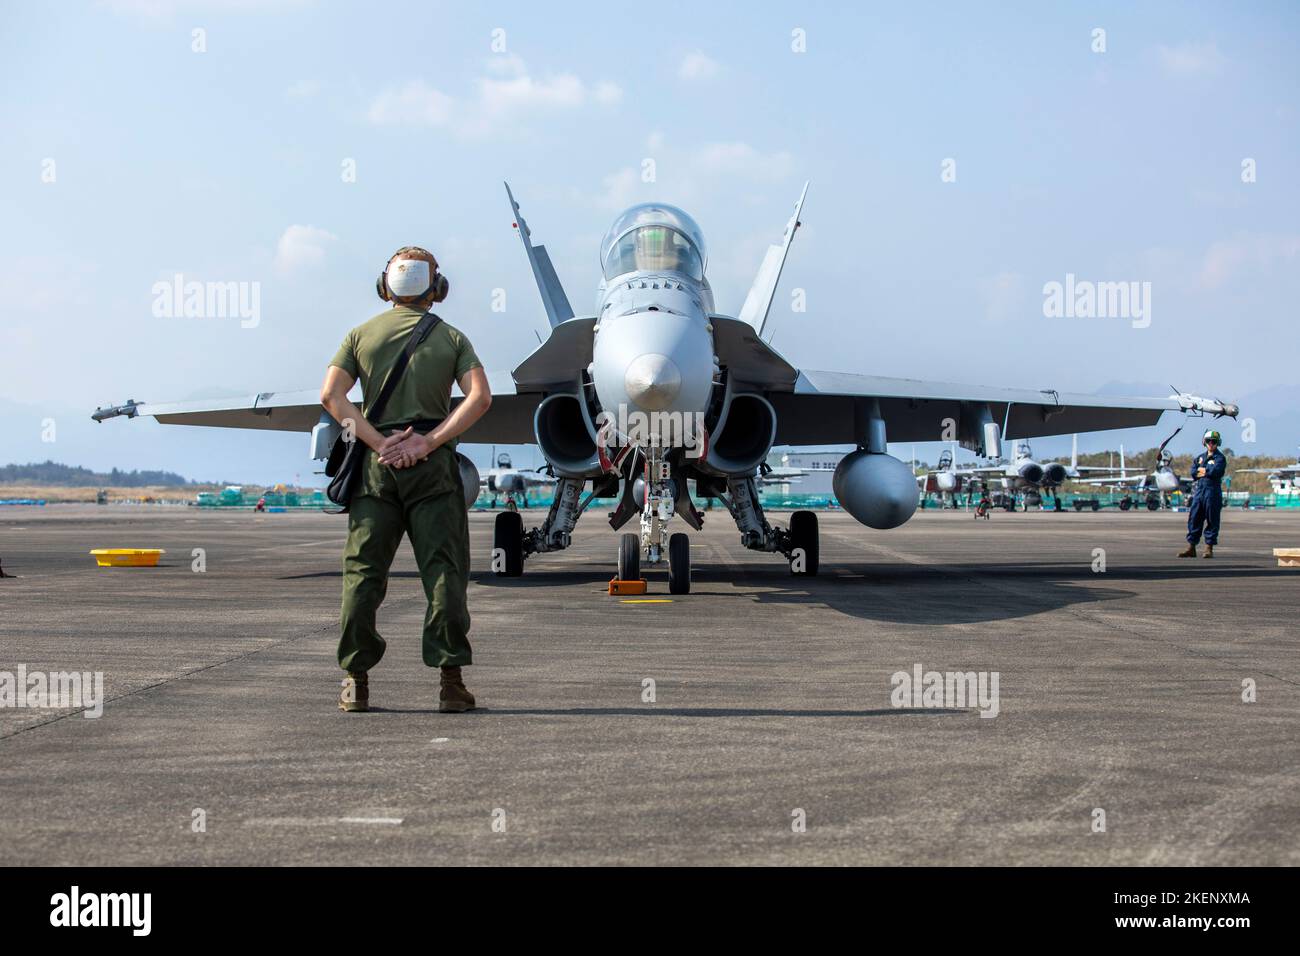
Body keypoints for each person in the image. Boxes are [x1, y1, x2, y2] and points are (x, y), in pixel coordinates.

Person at [320, 246, 492, 713]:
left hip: (376, 471)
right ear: (437, 288)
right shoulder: (452, 338)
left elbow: (331, 396)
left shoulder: (360, 335)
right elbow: (480, 398)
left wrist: (380, 443)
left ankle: (356, 683)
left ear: (385, 287)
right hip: (432, 470)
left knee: (363, 575)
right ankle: (451, 684)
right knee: (444, 573)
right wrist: (427, 442)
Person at [1178, 429, 1227, 559]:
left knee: (1212, 519)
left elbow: (1216, 471)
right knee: (1194, 518)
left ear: (1218, 443)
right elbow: (1193, 472)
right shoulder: (1200, 458)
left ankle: (1209, 548)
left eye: (1213, 441)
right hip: (1199, 491)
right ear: (1204, 442)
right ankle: (1191, 547)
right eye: (1208, 441)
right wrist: (1205, 471)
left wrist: (1204, 471)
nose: (1211, 443)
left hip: (1212, 492)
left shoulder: (1220, 458)